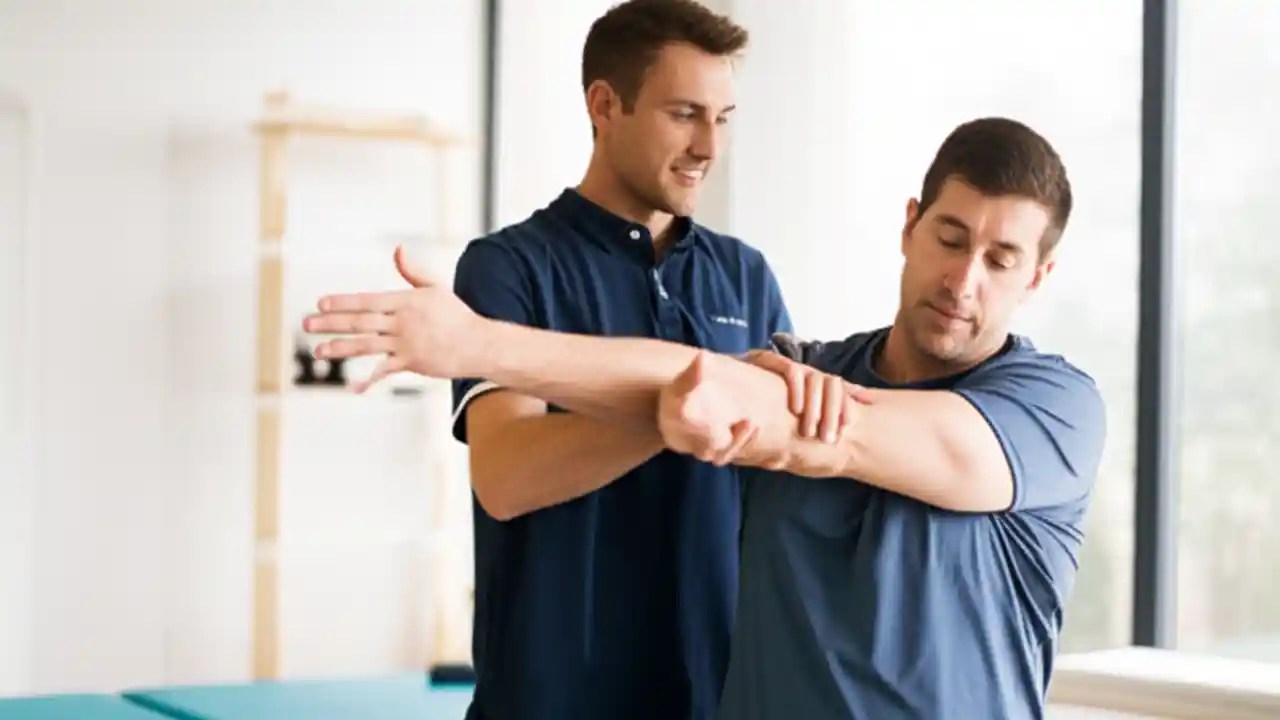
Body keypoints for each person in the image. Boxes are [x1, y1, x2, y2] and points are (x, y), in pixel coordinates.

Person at [306, 116, 1107, 718]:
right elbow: (686, 385)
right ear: (909, 224)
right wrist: (482, 348)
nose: (964, 280)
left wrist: (480, 341)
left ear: (1039, 276)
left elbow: (757, 405)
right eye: (950, 237)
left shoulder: (1054, 410)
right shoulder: (804, 367)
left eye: (1001, 260)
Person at [323, 2, 838, 718]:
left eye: (722, 118)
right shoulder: (509, 268)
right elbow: (507, 476)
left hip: (712, 696)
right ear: (605, 105)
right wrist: (671, 413)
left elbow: (779, 476)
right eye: (684, 113)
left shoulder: (746, 276)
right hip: (551, 698)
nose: (707, 147)